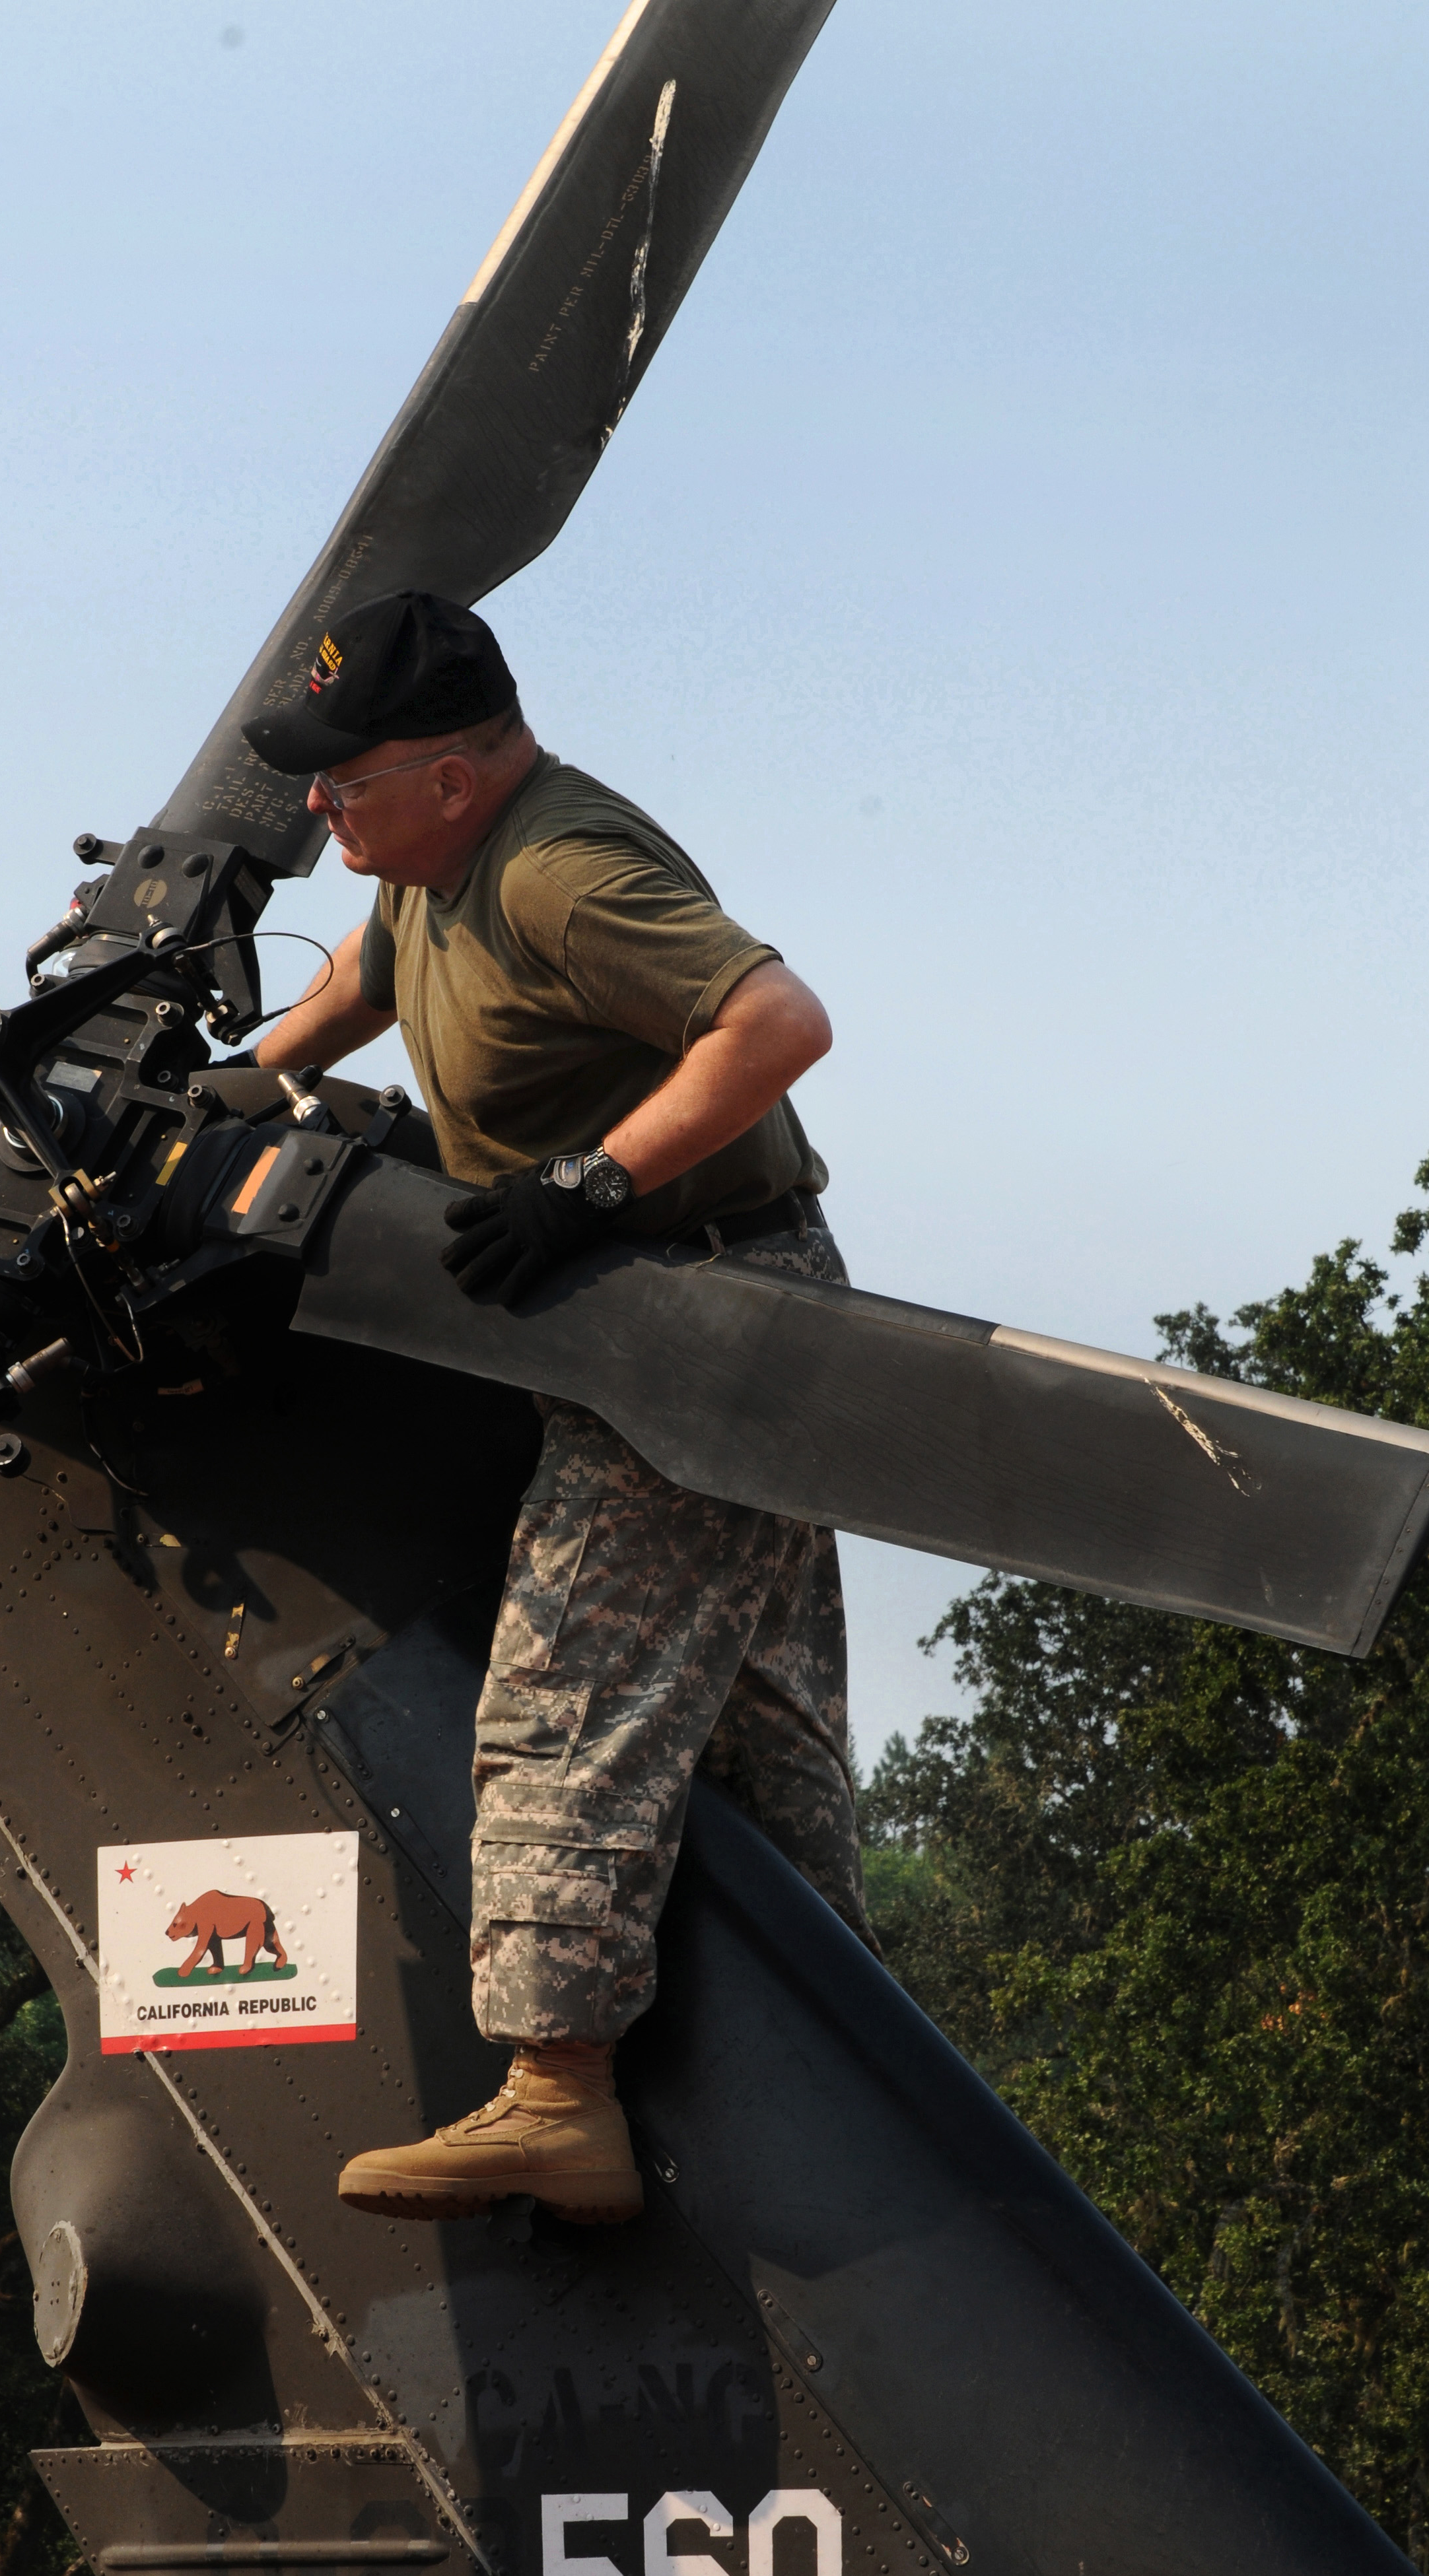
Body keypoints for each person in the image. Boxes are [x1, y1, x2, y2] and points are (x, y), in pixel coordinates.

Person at [242, 590, 876, 2227]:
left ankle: (551, 2092)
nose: (321, 806)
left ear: (456, 774)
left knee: (565, 1688)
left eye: (347, 779)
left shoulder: (553, 870)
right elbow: (369, 981)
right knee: (755, 1722)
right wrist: (236, 1082)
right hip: (690, 1312)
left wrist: (586, 1185)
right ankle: (849, 2071)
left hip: (702, 1325)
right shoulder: (439, 866)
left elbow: (777, 1023)